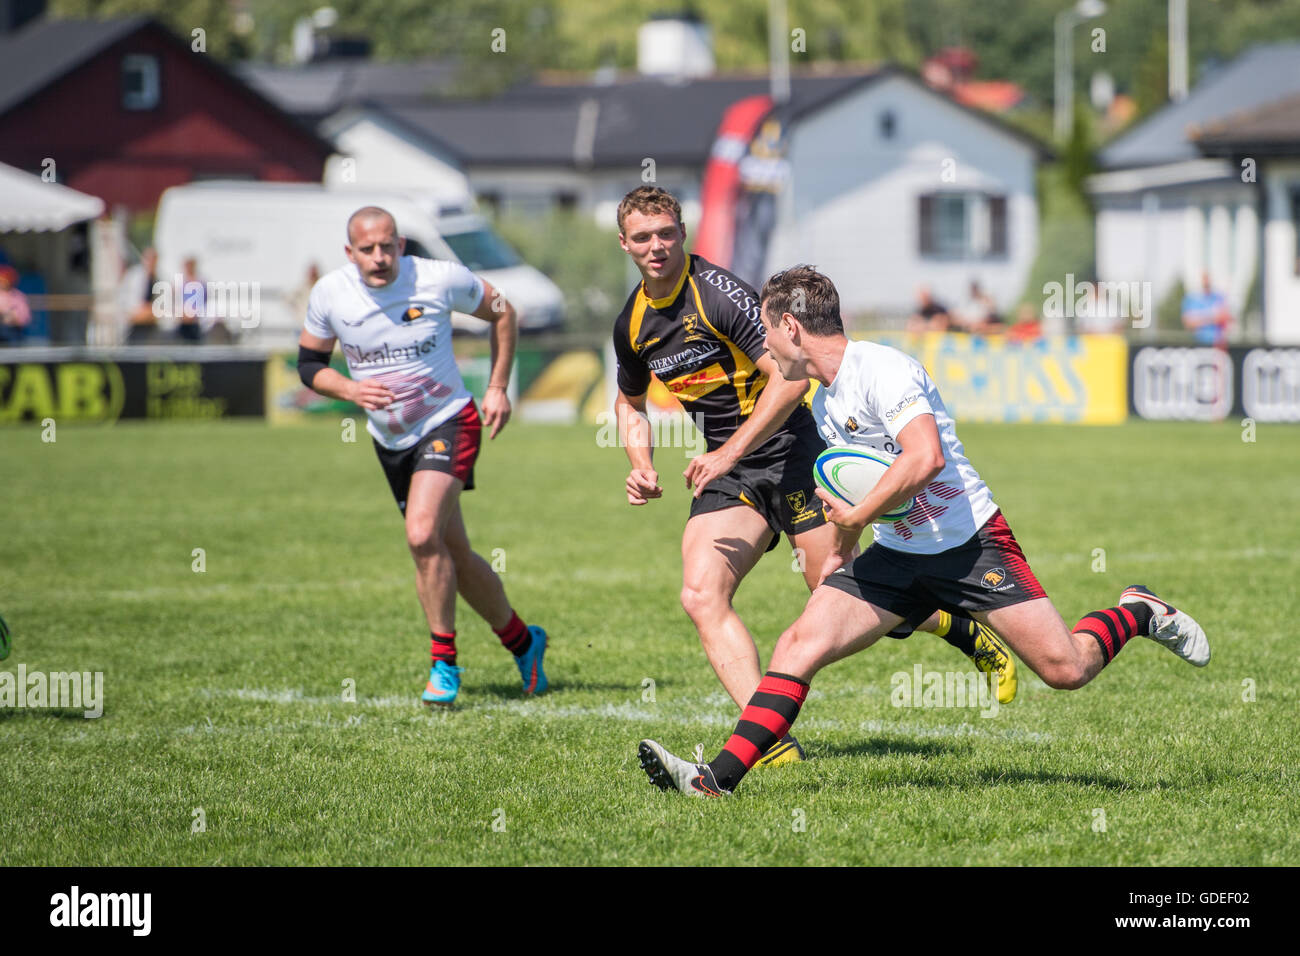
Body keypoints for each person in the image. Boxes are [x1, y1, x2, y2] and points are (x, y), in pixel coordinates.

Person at [637, 265, 1210, 796]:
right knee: (797, 645)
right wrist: (840, 551)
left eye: (766, 331)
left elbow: (926, 458)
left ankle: (1138, 611)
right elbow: (852, 492)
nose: (764, 346)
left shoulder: (883, 370)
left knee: (1067, 669)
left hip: (969, 547)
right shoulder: (828, 397)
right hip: (896, 556)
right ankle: (715, 780)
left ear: (791, 327)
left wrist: (856, 519)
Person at [612, 187, 1017, 769]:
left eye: (666, 232)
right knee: (701, 594)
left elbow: (790, 379)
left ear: (683, 232)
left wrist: (728, 451)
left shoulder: (719, 295)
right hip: (732, 470)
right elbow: (629, 401)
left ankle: (959, 628)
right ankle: (769, 742)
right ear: (625, 243)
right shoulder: (632, 323)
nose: (656, 246)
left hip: (794, 449)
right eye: (643, 237)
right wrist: (640, 464)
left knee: (834, 582)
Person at [296, 205, 547, 707]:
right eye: (367, 249)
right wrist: (350, 389)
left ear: (402, 245)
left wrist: (497, 387)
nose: (379, 256)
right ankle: (524, 642)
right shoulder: (330, 294)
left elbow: (503, 312)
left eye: (388, 245)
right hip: (391, 439)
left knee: (420, 534)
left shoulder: (438, 279)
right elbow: (309, 365)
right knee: (452, 553)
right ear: (350, 253)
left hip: (449, 419)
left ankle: (443, 664)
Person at [1181, 272, 1232, 347]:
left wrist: (1200, 319)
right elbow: (1189, 322)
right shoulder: (1191, 299)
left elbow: (1225, 317)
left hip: (1217, 344)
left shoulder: (1219, 297)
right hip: (1198, 344)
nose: (1206, 282)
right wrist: (1213, 318)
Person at [0, 265, 31, 345]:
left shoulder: (18, 296)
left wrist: (13, 317)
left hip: (12, 331)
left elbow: (24, 318)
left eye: (4, 280)